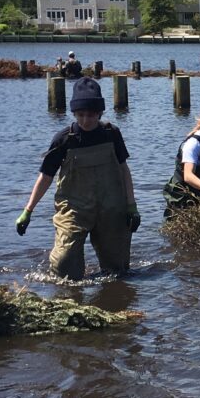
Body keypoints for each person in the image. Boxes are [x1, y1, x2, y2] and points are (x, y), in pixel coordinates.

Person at [16, 77, 138, 279]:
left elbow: (124, 170)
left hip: (110, 206)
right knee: (64, 265)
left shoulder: (111, 134)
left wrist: (131, 206)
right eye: (81, 115)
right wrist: (28, 211)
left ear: (99, 113)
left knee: (118, 270)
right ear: (74, 113)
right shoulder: (64, 139)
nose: (86, 120)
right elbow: (46, 176)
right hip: (73, 208)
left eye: (91, 115)